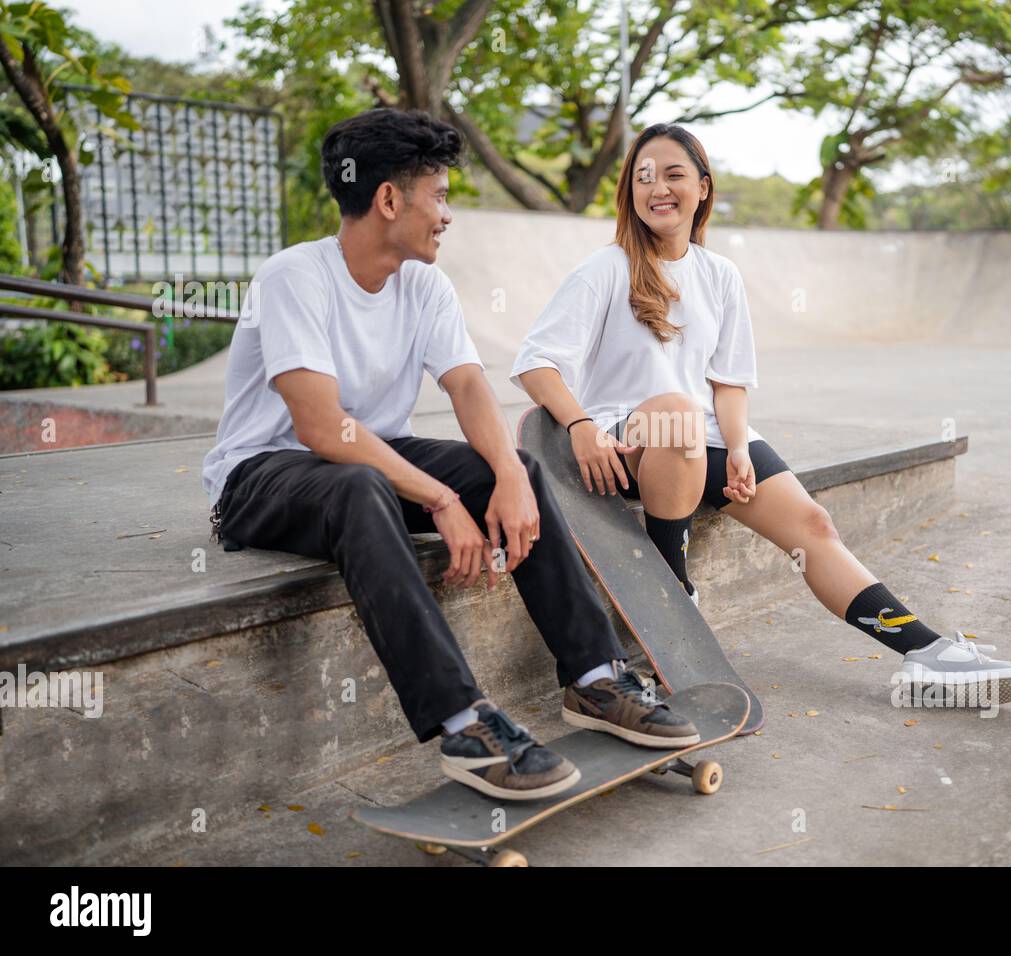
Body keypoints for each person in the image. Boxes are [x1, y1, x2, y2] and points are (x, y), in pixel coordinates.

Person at [200, 109, 699, 802]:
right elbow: (320, 428)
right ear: (387, 200)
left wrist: (507, 477)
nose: (447, 214)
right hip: (263, 476)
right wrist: (439, 499)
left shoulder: (423, 284)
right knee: (360, 489)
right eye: (438, 194)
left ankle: (594, 677)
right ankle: (464, 724)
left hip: (369, 458)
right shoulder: (294, 277)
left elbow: (466, 385)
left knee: (514, 468)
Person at [511, 123, 1011, 706]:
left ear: (703, 188)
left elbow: (729, 383)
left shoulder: (719, 275)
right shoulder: (604, 269)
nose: (656, 186)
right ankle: (670, 599)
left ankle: (926, 653)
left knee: (814, 528)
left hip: (705, 436)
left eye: (673, 173)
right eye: (642, 177)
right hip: (625, 438)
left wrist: (737, 447)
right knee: (680, 414)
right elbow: (536, 365)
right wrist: (581, 426)